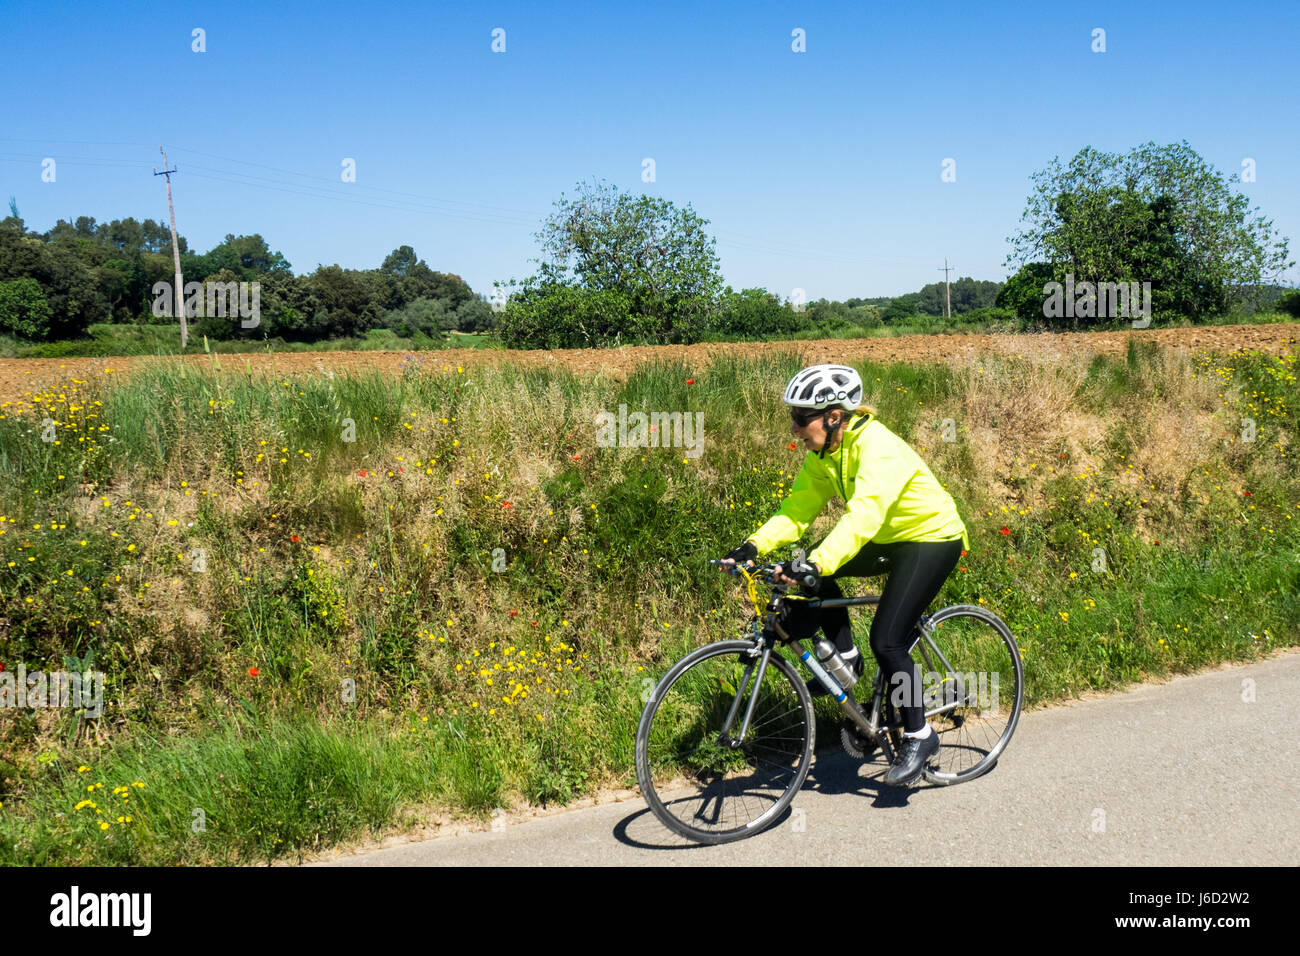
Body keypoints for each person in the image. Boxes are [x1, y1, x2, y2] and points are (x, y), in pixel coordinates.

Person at [719, 364, 970, 786]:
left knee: (888, 640)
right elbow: (796, 510)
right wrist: (753, 546)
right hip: (888, 538)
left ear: (833, 416)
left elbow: (863, 515)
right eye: (793, 418)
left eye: (801, 418)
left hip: (931, 538)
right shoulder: (825, 454)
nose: (795, 428)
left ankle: (920, 735)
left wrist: (817, 562)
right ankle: (847, 657)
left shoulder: (878, 448)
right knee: (807, 575)